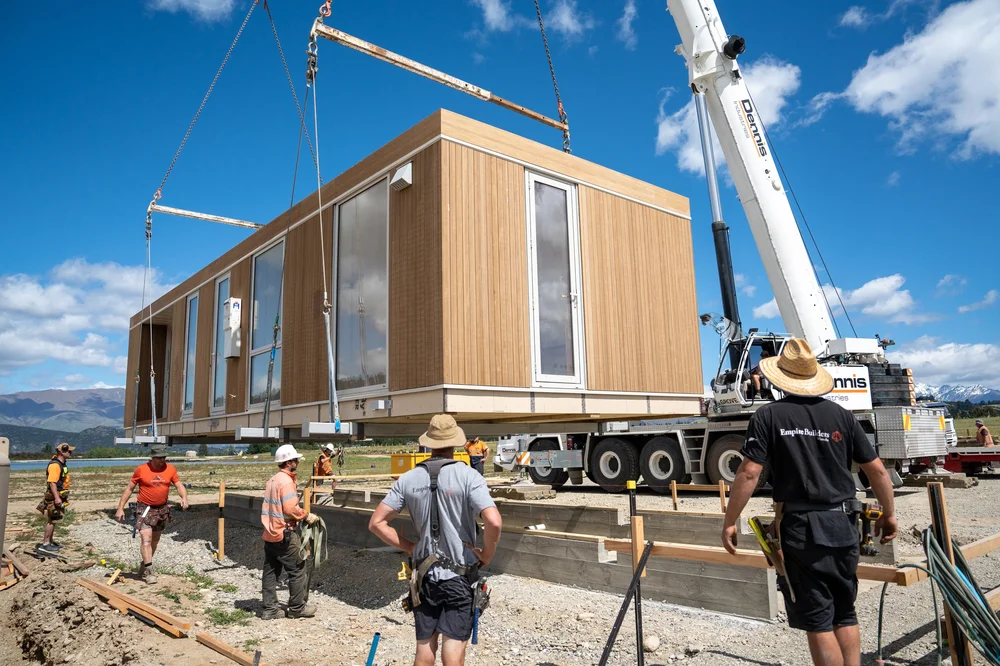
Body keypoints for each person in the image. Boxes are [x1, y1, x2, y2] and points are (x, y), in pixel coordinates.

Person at [722, 339, 899, 666]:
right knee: (844, 611)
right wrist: (889, 515)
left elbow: (748, 473)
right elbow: (877, 470)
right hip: (845, 526)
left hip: (803, 530)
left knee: (817, 617)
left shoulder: (768, 416)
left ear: (780, 378)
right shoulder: (842, 416)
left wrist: (730, 520)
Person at [369, 414, 503, 666]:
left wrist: (411, 546)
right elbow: (494, 522)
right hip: (458, 577)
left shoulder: (408, 478)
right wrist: (486, 554)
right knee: (453, 647)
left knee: (424, 645)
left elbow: (376, 523)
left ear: (429, 443)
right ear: (455, 443)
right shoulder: (469, 476)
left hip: (424, 577)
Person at [261, 444, 320, 620]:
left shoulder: (273, 480)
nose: (297, 462)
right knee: (297, 569)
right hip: (284, 533)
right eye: (295, 460)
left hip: (270, 533)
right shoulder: (286, 481)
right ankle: (297, 608)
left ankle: (269, 609)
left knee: (271, 571)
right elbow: (289, 508)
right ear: (288, 462)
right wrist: (305, 515)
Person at [114, 445, 189, 583]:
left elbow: (179, 485)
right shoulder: (141, 469)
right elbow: (130, 489)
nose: (162, 460)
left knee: (154, 540)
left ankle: (145, 563)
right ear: (153, 458)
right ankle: (149, 571)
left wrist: (184, 498)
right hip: (144, 508)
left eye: (164, 457)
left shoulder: (170, 469)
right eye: (159, 458)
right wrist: (120, 508)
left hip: (161, 509)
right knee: (146, 538)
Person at [37, 443, 74, 554]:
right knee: (51, 520)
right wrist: (57, 498)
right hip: (54, 496)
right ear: (62, 452)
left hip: (59, 495)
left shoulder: (61, 464)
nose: (70, 453)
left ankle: (50, 542)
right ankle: (45, 544)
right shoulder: (55, 466)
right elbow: (52, 483)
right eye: (69, 451)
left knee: (55, 518)